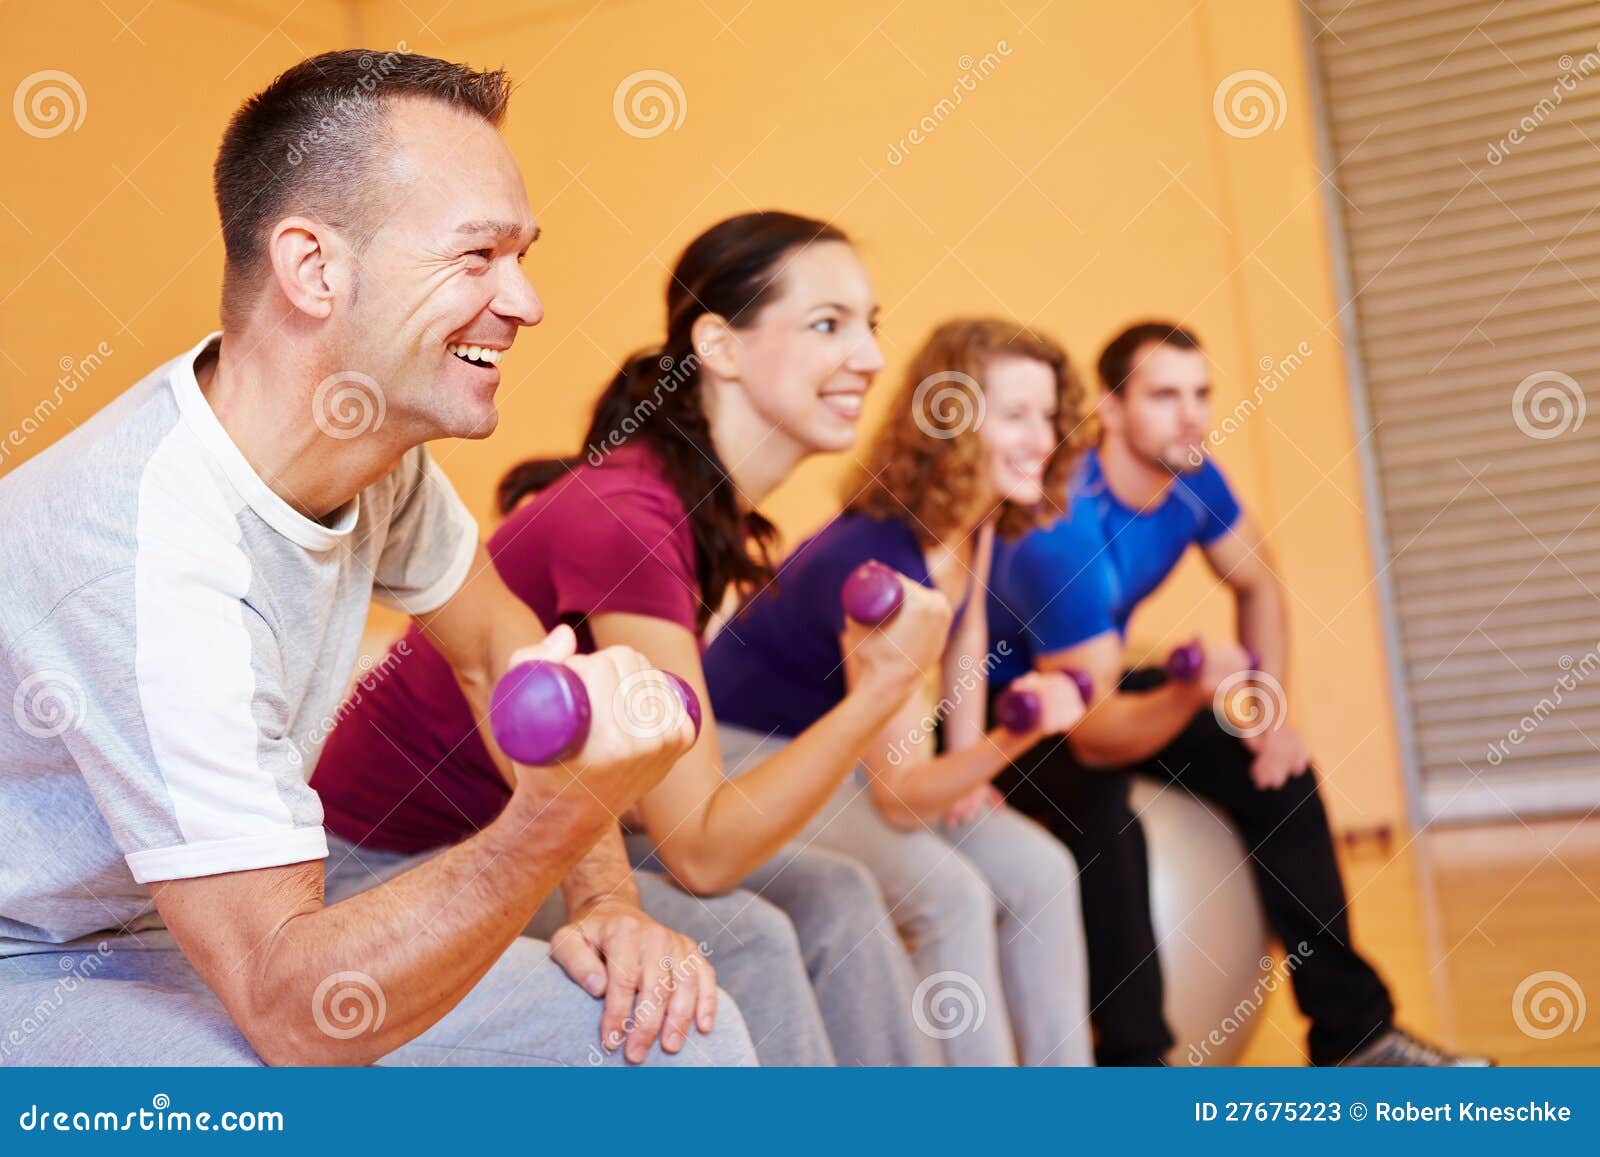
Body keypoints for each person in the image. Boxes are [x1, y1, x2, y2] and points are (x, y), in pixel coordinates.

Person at [0, 49, 758, 1068]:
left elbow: (501, 655)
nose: (526, 301)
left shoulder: (368, 457)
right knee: (291, 1093)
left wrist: (606, 900)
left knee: (660, 1031)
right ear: (315, 269)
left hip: (197, 928)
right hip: (33, 964)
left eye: (522, 254)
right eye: (476, 257)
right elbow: (292, 1011)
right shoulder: (148, 547)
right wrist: (554, 817)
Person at [311, 210, 950, 1065]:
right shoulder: (636, 517)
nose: (871, 357)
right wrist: (879, 691)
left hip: (543, 825)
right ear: (718, 346)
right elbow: (705, 850)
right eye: (828, 325)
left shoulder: (697, 510)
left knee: (833, 891)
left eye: (871, 327)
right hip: (395, 862)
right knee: (750, 935)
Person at [988, 319, 1491, 1068]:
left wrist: (1267, 711)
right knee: (1100, 813)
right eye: (1164, 395)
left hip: (1092, 681)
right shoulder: (1068, 524)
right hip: (1006, 721)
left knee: (1277, 767)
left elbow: (1257, 580)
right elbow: (1091, 734)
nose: (1191, 414)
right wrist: (1192, 691)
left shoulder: (1192, 478)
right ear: (1111, 408)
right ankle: (1137, 1069)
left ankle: (1354, 1035)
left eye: (1201, 393)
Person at [701, 318, 1098, 1066]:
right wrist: (1012, 738)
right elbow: (900, 797)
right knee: (951, 894)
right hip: (747, 756)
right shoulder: (877, 559)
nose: (1042, 438)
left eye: (1047, 415)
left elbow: (965, 639)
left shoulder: (970, 524)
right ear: (952, 426)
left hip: (841, 751)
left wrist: (972, 771)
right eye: (1016, 416)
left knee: (1042, 869)